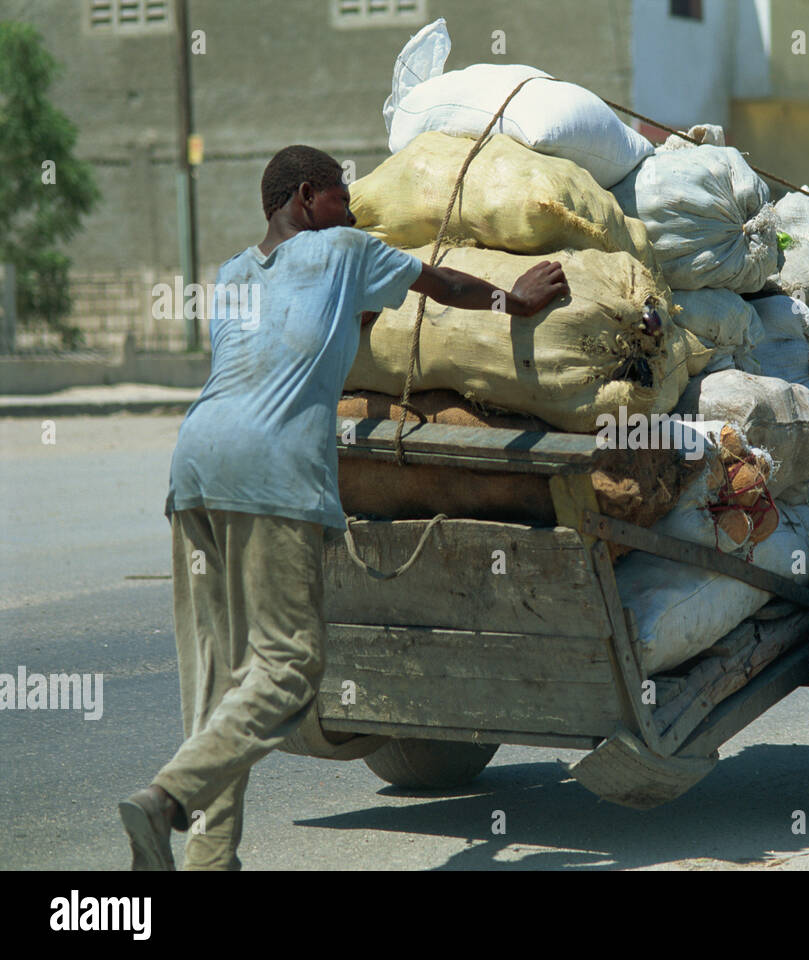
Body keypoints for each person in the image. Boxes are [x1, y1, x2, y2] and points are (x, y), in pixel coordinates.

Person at [117, 145, 569, 870]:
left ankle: (208, 861)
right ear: (306, 197)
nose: (353, 210)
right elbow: (444, 281)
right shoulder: (346, 249)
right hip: (273, 472)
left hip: (194, 467)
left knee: (217, 678)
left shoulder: (232, 274)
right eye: (341, 197)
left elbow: (283, 345)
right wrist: (511, 302)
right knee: (290, 671)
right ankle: (166, 800)